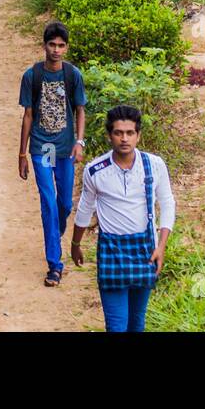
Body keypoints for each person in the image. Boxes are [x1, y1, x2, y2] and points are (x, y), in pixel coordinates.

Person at [71, 105, 175, 332]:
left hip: (145, 250)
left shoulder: (154, 165)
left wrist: (162, 246)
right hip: (111, 252)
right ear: (110, 135)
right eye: (118, 133)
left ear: (138, 135)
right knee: (116, 325)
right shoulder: (95, 170)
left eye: (130, 133)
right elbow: (85, 209)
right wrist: (75, 244)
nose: (124, 139)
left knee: (137, 322)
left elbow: (167, 203)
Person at [18, 21, 87, 287]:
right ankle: (54, 264)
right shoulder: (32, 76)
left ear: (66, 47)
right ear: (44, 45)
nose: (56, 50)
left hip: (65, 148)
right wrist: (21, 154)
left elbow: (80, 109)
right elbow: (27, 115)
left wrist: (79, 142)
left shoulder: (72, 75)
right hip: (42, 148)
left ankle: (55, 234)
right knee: (48, 200)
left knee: (65, 204)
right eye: (52, 45)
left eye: (61, 45)